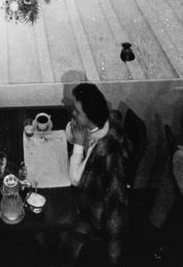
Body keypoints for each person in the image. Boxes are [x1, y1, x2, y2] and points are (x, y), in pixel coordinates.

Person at [67, 82, 129, 265]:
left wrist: (78, 144)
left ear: (91, 116)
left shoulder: (101, 150)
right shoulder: (103, 122)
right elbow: (69, 133)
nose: (73, 113)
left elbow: (76, 179)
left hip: (100, 208)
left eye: (77, 112)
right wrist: (76, 131)